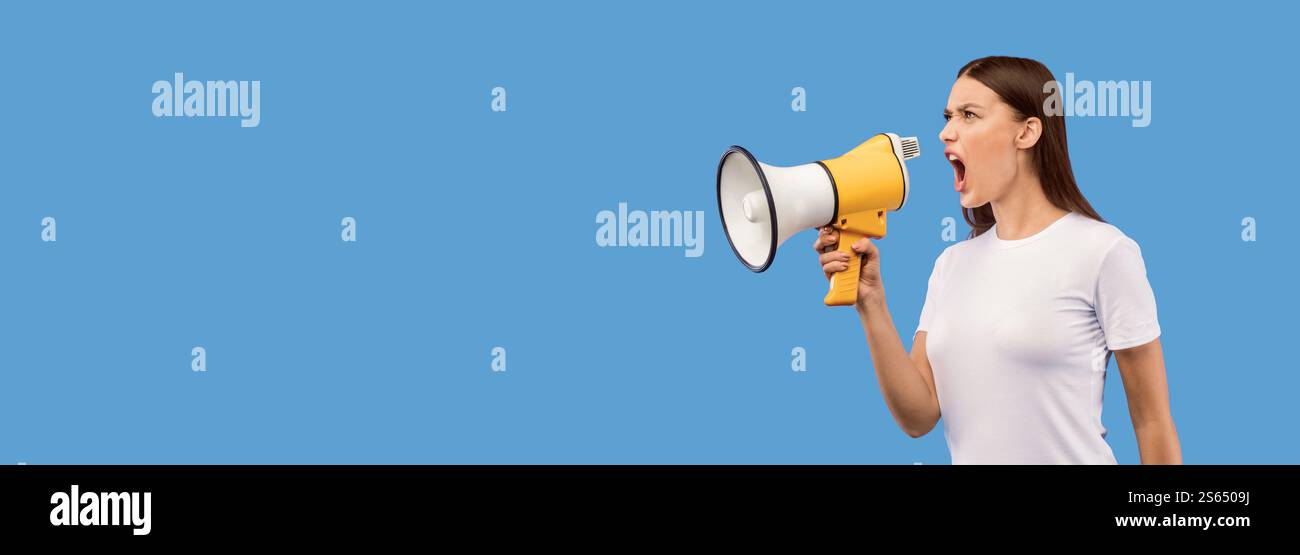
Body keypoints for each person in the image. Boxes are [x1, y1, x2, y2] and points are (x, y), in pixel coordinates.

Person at [814, 56, 1181, 464]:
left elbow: (1152, 422)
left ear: (1027, 132)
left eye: (969, 115)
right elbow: (919, 415)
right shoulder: (951, 265)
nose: (946, 132)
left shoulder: (1104, 252)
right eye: (948, 116)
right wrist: (872, 304)